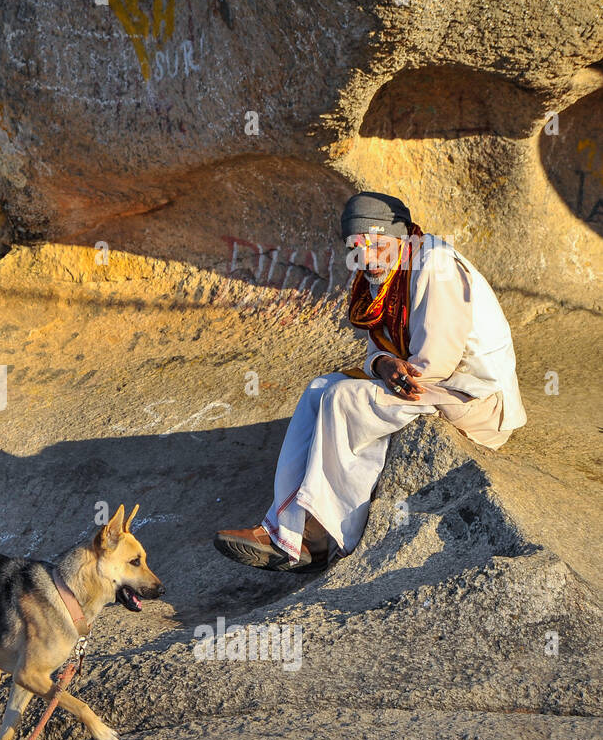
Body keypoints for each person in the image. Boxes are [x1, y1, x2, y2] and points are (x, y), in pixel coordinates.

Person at [214, 191, 527, 572]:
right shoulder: (385, 271)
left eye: (378, 245)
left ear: (403, 236)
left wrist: (388, 370)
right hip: (436, 384)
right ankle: (284, 529)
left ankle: (319, 535)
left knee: (343, 399)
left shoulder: (435, 264)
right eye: (358, 249)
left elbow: (435, 364)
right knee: (318, 390)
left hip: (478, 400)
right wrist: (381, 365)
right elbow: (378, 351)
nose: (369, 259)